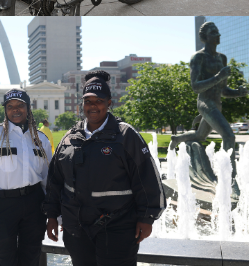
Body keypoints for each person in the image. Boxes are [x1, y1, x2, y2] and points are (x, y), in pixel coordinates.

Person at [43, 71, 166, 266]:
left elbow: (146, 178)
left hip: (117, 229)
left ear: (109, 103)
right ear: (82, 105)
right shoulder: (70, 138)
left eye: (99, 101)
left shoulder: (125, 136)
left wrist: (147, 218)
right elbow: (55, 181)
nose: (93, 106)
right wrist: (51, 216)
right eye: (88, 101)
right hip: (77, 230)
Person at [0, 89, 52, 266]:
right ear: (5, 110)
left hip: (35, 204)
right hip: (4, 205)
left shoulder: (41, 139)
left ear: (28, 108)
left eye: (20, 105)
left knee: (31, 256)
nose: (15, 109)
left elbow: (48, 179)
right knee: (4, 257)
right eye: (10, 106)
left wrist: (53, 214)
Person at [171, 21, 247, 167]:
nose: (218, 35)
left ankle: (177, 139)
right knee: (229, 136)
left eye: (217, 32)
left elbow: (223, 90)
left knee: (200, 136)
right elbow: (195, 87)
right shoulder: (198, 57)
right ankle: (230, 176)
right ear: (204, 37)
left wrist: (238, 93)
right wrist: (218, 77)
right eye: (213, 32)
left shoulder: (222, 58)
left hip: (217, 104)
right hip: (205, 103)